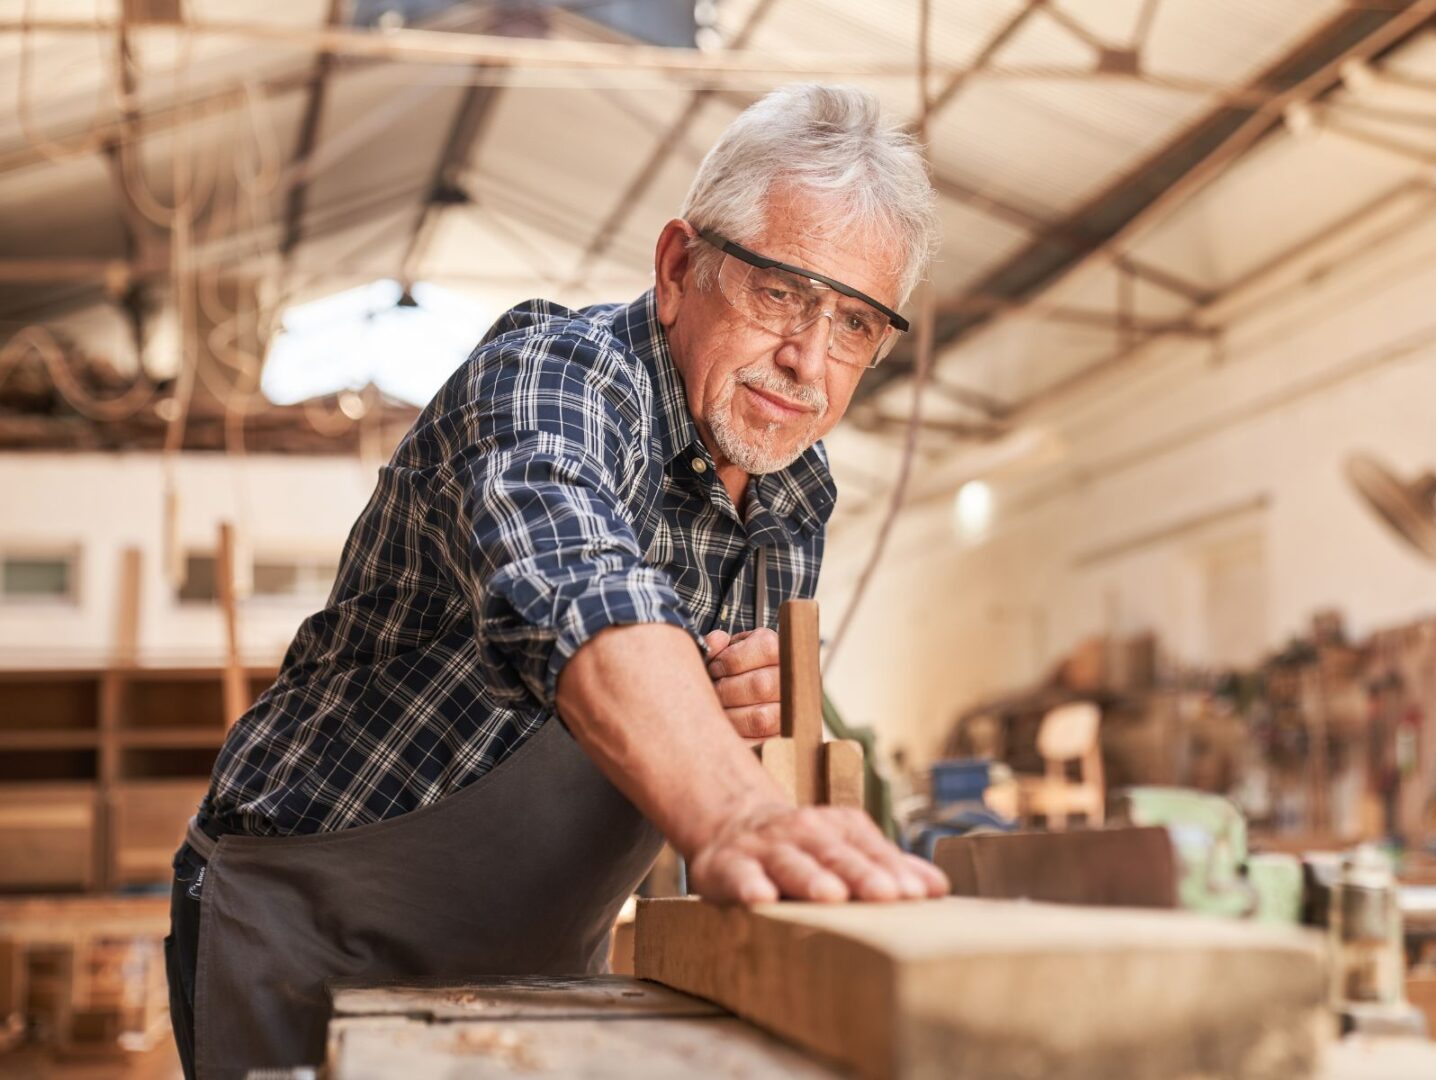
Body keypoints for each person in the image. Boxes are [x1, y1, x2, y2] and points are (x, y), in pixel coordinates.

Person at [165, 83, 948, 1079]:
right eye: (782, 294)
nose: (808, 360)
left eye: (855, 327)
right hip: (316, 933)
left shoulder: (793, 494)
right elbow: (577, 586)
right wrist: (738, 813)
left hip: (536, 968)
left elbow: (710, 755)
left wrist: (772, 743)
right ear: (678, 268)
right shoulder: (551, 380)